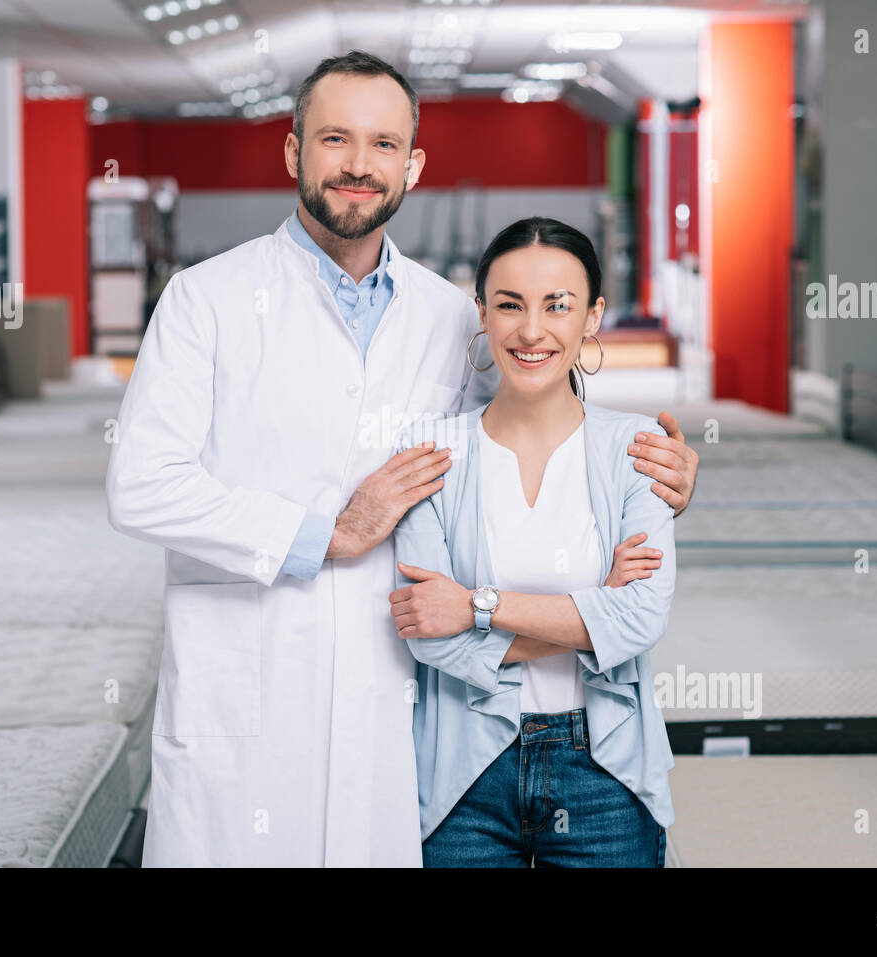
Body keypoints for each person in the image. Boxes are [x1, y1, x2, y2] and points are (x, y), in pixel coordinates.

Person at [106, 51, 699, 867]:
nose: (358, 165)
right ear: (293, 153)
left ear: (412, 164)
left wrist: (649, 471)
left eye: (383, 144)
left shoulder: (450, 316)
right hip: (245, 682)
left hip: (398, 695)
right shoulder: (206, 300)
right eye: (335, 140)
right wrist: (328, 532)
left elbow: (533, 419)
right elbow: (140, 486)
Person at [390, 217, 676, 867]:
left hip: (605, 770)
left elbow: (639, 618)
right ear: (483, 313)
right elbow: (432, 634)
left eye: (558, 306)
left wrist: (475, 603)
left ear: (593, 316)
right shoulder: (433, 454)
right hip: (465, 776)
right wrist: (590, 609)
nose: (531, 330)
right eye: (510, 304)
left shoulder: (637, 453)